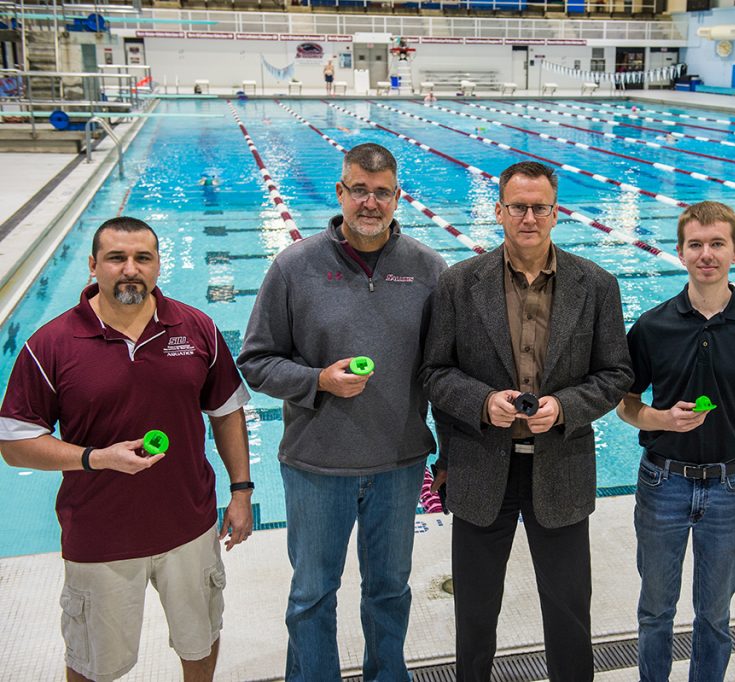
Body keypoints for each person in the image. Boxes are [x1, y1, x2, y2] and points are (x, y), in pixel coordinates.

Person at [0, 216, 254, 682]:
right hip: (100, 537)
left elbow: (227, 411)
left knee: (200, 640)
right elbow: (14, 444)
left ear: (159, 266)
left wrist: (241, 492)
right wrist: (94, 458)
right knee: (93, 663)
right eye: (117, 258)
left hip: (189, 527)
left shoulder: (195, 329)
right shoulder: (51, 344)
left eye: (143, 258)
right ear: (94, 265)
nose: (130, 269)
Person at [238, 142, 447, 681]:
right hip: (316, 466)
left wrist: (447, 455)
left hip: (398, 464)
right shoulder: (294, 267)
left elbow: (444, 370)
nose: (370, 203)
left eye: (382, 193)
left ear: (398, 197)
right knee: (311, 594)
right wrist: (317, 381)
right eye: (360, 190)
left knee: (389, 591)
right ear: (341, 193)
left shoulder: (428, 270)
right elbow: (256, 362)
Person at [421, 161, 634, 682]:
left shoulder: (596, 285)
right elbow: (433, 372)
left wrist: (564, 408)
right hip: (480, 466)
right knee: (474, 613)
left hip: (560, 466)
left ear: (557, 212)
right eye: (518, 206)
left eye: (540, 207)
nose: (530, 217)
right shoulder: (458, 283)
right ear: (499, 211)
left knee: (568, 613)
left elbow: (616, 373)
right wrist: (481, 401)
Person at [617, 201, 735, 682]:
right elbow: (625, 404)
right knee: (655, 609)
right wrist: (659, 418)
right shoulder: (653, 326)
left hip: (730, 489)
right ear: (680, 253)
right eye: (696, 244)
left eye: (717, 244)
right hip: (662, 483)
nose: (706, 254)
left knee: (714, 616)